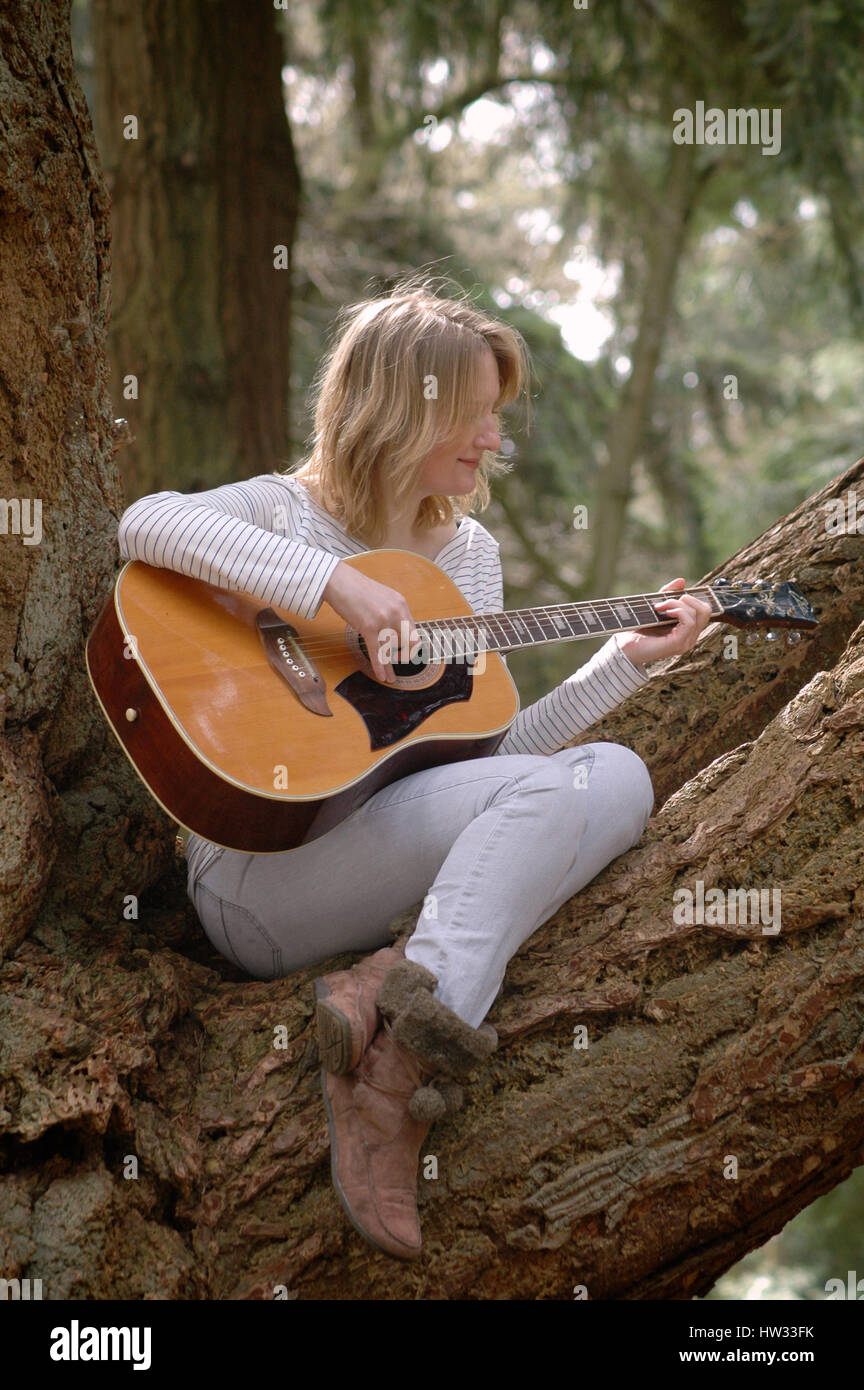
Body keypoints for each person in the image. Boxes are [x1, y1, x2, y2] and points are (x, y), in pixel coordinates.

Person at [116, 278, 713, 1260]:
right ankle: (397, 1073)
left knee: (612, 778)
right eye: (474, 416)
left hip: (387, 850)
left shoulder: (467, 556)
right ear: (403, 407)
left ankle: (388, 1046)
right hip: (265, 870)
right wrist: (332, 583)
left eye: (497, 421)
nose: (491, 442)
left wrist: (623, 665)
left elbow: (494, 771)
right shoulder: (277, 510)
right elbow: (145, 523)